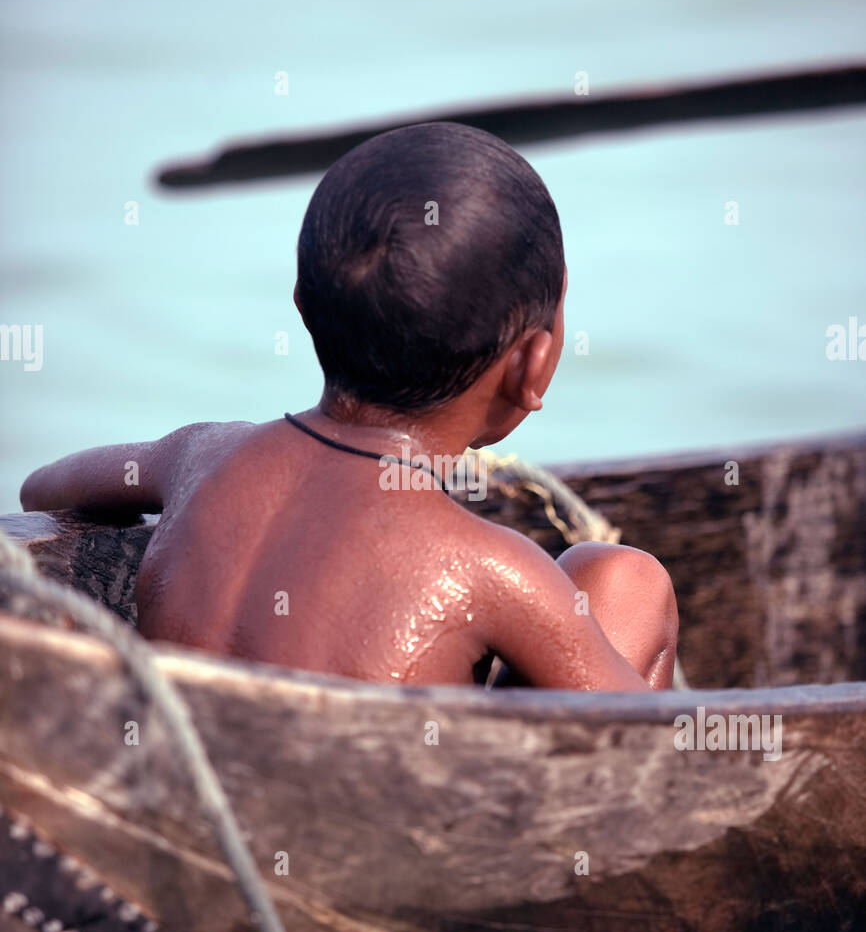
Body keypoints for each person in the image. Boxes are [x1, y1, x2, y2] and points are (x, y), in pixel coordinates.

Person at [20, 122, 677, 690]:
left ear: (304, 306)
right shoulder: (492, 569)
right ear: (532, 366)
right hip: (385, 826)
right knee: (623, 581)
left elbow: (41, 487)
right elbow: (637, 747)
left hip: (195, 791)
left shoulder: (199, 454)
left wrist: (194, 508)